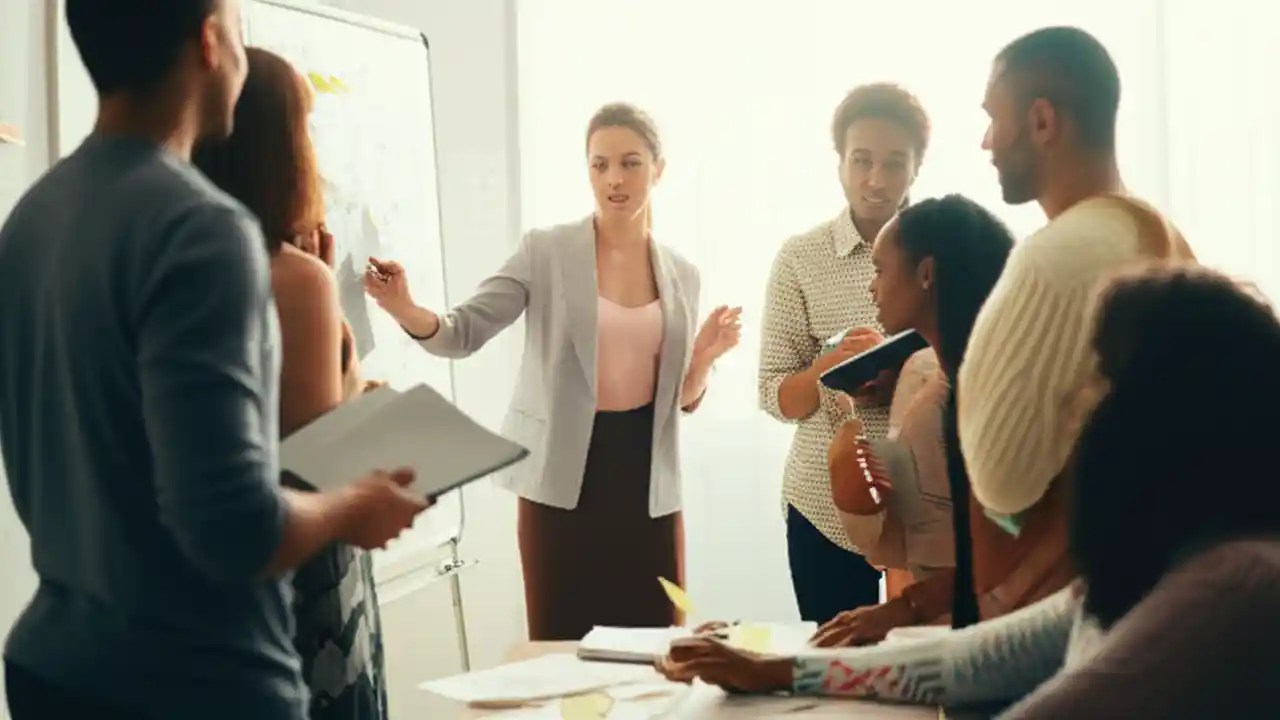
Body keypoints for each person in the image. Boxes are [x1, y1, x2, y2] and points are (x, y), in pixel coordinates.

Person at [0, 2, 427, 718]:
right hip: (193, 684)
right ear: (208, 40)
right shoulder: (202, 230)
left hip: (53, 669)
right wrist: (355, 506)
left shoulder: (32, 216)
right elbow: (233, 527)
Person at [657, 265, 1280, 713]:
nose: (1072, 403)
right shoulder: (1161, 556)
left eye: (1097, 377)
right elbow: (971, 660)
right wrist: (780, 670)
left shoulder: (1236, 582)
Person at [364, 103, 742, 641]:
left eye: (630, 163)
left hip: (648, 485)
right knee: (562, 649)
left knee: (659, 646)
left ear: (659, 169)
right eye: (600, 164)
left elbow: (681, 399)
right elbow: (462, 332)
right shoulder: (546, 250)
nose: (614, 179)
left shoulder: (683, 273)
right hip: (562, 484)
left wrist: (704, 357)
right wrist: (405, 308)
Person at [193, 47, 389, 720]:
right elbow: (319, 458)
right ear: (278, 144)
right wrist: (363, 387)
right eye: (305, 126)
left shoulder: (194, 259)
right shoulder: (295, 278)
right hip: (311, 574)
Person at [1002, 266, 1280, 718]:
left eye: (1102, 370)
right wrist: (842, 665)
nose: (1079, 396)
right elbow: (987, 656)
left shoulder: (1236, 583)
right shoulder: (1187, 557)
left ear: (1159, 405)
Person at [959, 26, 1196, 528]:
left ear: (1042, 121)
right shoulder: (1160, 236)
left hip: (1105, 578)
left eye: (993, 119)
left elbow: (1000, 480)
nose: (986, 143)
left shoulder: (1051, 260)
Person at [758, 83, 931, 623]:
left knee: (925, 667)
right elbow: (774, 394)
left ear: (917, 168)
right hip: (824, 500)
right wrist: (828, 369)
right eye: (861, 161)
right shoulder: (800, 258)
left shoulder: (944, 249)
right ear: (839, 164)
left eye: (894, 163)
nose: (876, 179)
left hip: (929, 496)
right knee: (834, 672)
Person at [813, 194, 1014, 648]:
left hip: (996, 635)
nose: (872, 287)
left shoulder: (988, 396)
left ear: (925, 275)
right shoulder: (933, 371)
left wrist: (902, 610)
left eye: (881, 270)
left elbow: (1008, 554)